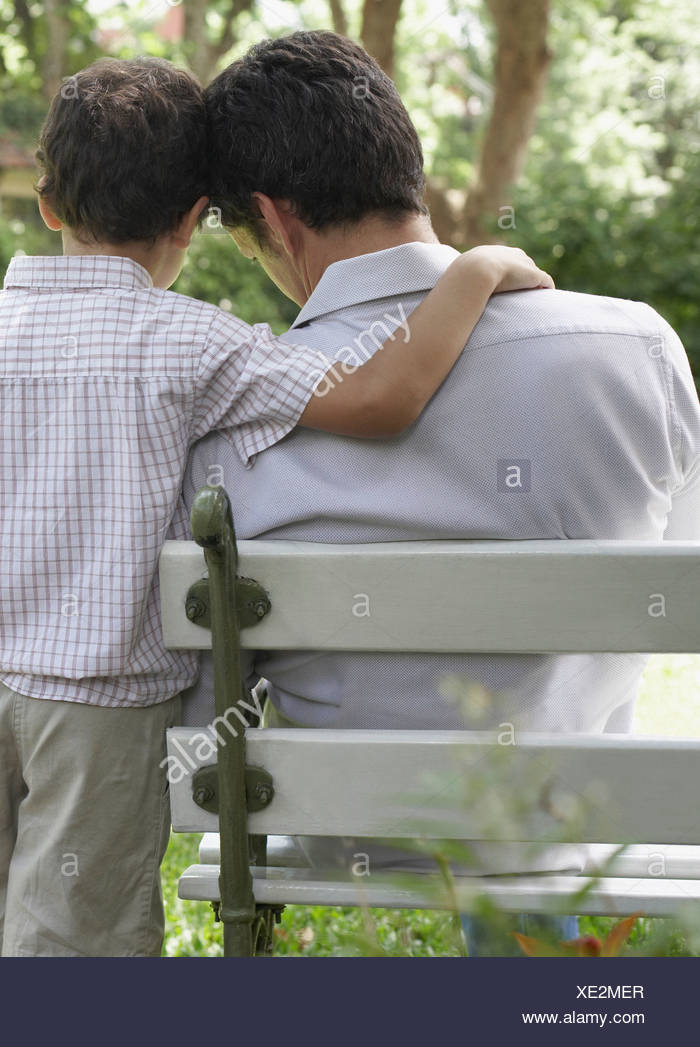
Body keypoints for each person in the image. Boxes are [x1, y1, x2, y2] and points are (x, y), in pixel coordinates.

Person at [0, 55, 551, 957]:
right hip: (104, 719)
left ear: (47, 203)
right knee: (78, 944)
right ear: (195, 217)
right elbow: (382, 399)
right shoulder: (194, 344)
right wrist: (475, 269)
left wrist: (15, 620)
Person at [182, 30, 700, 955]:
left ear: (273, 217)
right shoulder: (638, 348)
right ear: (404, 164)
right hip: (577, 809)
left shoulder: (241, 406)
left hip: (356, 824)